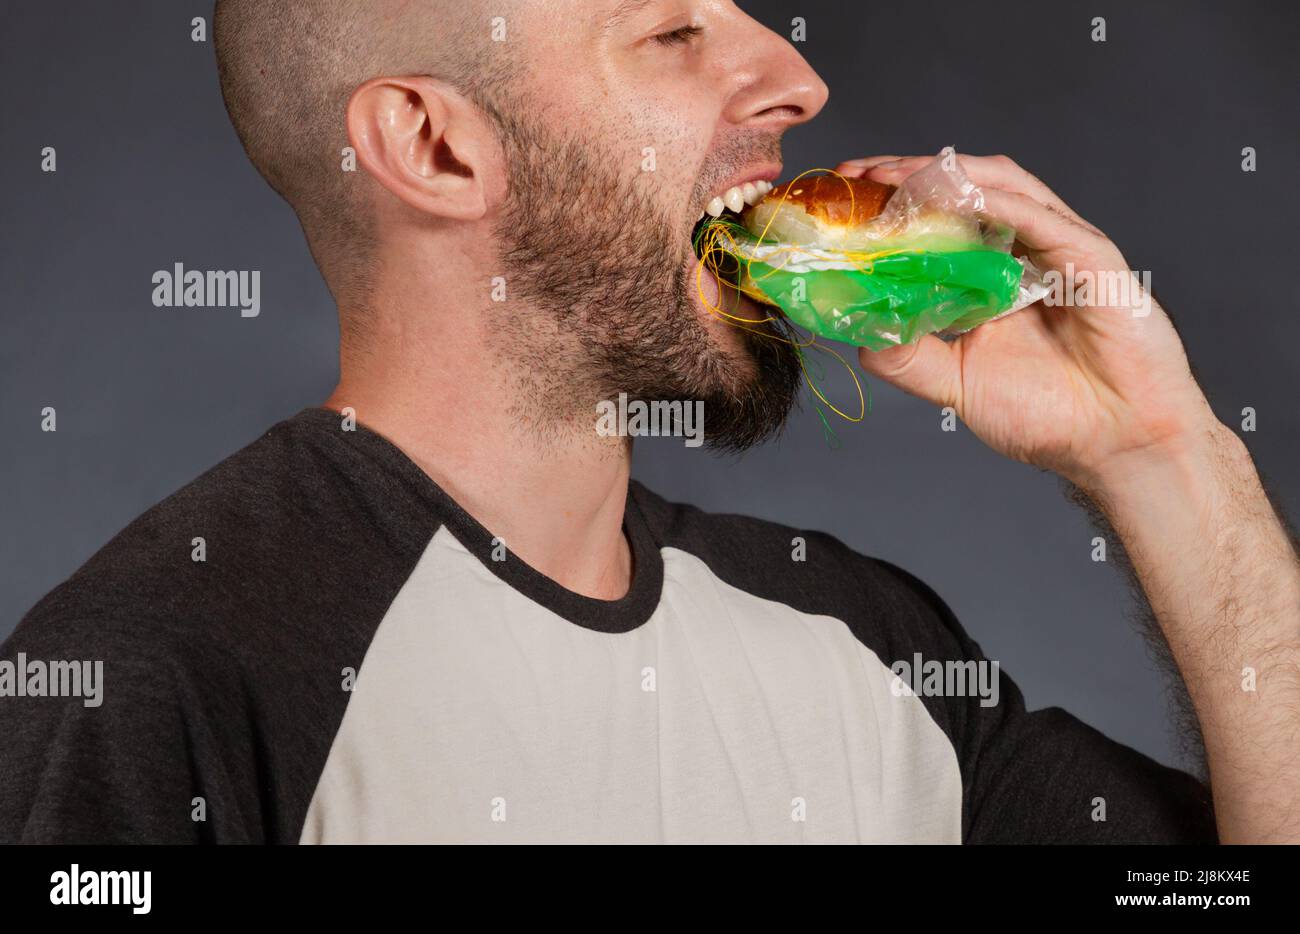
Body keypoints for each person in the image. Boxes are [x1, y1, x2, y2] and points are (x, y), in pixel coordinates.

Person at [2, 0, 1296, 844]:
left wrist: (1166, 456)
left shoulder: (872, 650)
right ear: (435, 147)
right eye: (674, 31)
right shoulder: (144, 684)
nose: (796, 78)